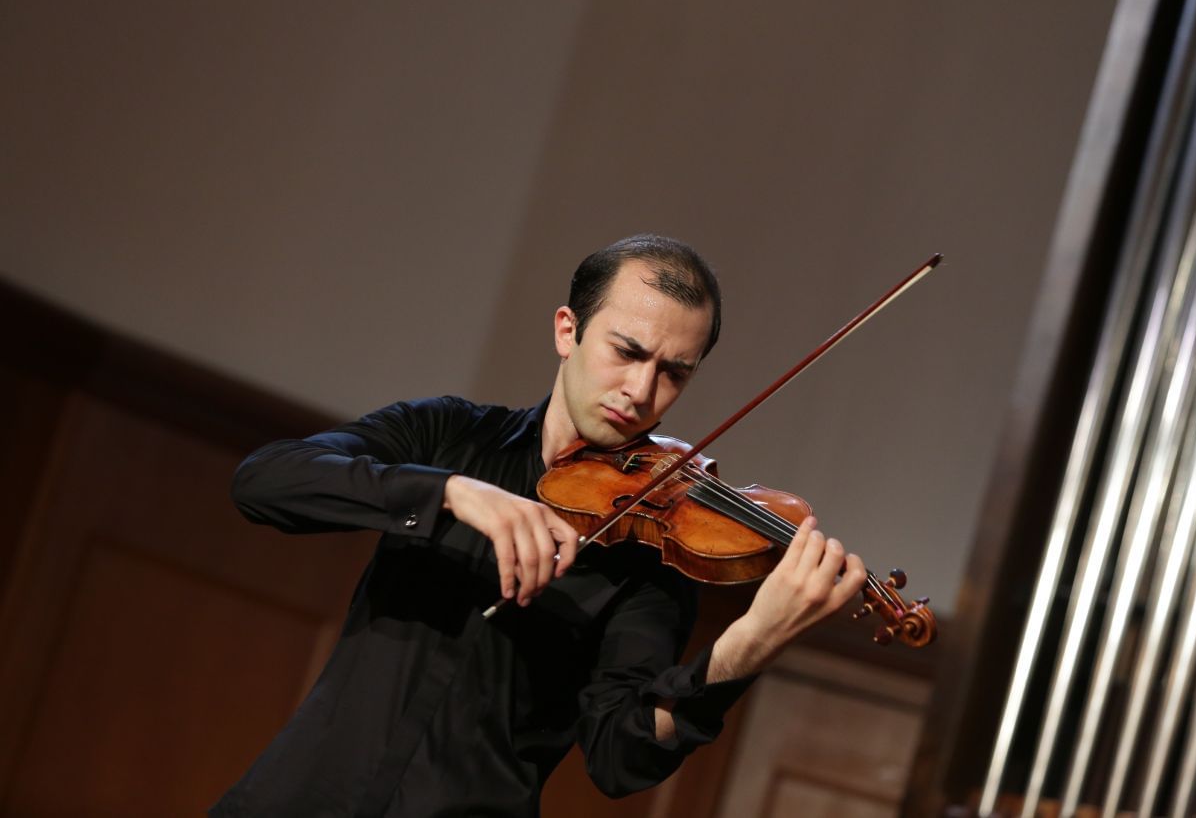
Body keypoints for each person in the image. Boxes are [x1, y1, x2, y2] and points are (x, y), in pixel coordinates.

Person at [211, 234, 867, 817]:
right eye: (626, 351)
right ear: (567, 330)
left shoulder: (649, 553)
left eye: (673, 372)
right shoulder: (449, 434)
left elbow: (621, 756)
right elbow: (266, 480)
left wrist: (747, 644)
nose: (641, 391)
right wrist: (451, 492)